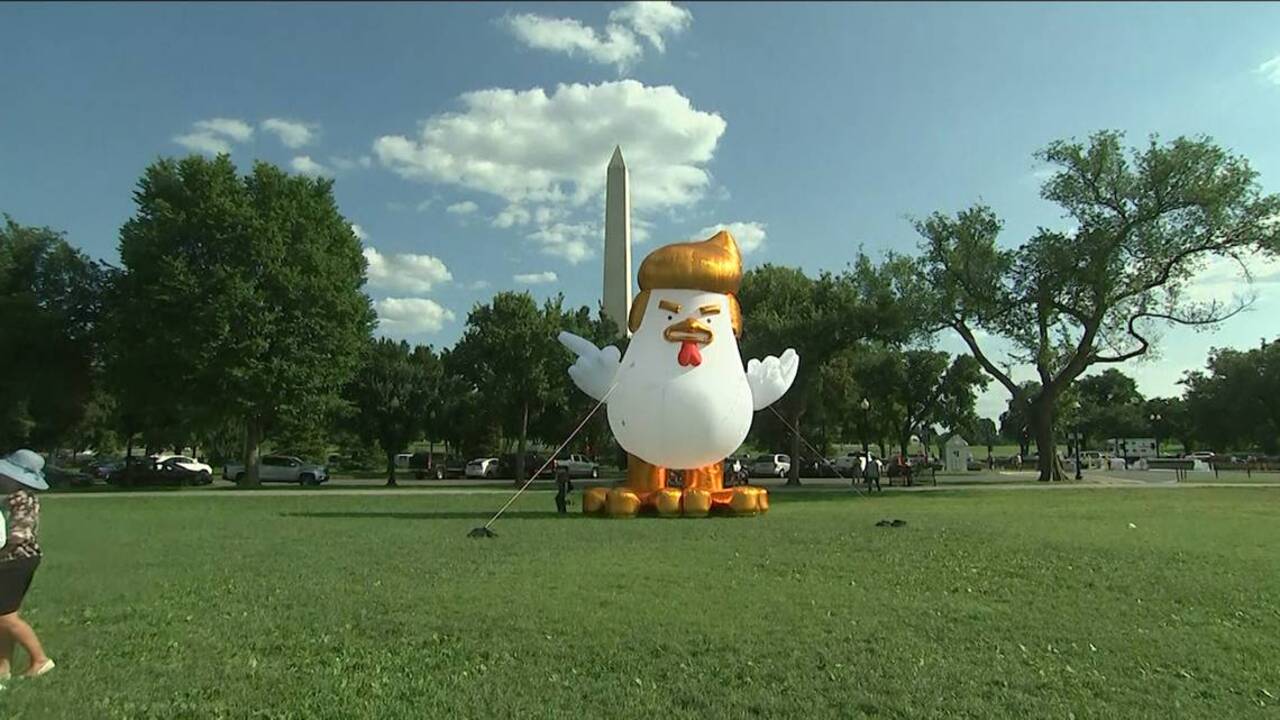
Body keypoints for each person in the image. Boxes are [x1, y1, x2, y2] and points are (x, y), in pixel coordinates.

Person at [0, 449, 55, 682]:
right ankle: (3, 667)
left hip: (15, 559)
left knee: (5, 616)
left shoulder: (18, 500)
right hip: (24, 559)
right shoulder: (26, 498)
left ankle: (40, 659)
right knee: (6, 613)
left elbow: (17, 535)